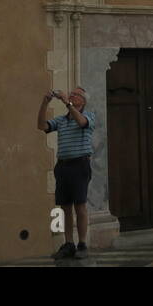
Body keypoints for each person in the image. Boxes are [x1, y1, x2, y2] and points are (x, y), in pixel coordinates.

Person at [37, 87, 97, 261]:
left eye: (75, 95)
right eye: (71, 94)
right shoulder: (62, 121)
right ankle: (69, 243)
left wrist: (66, 102)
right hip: (63, 167)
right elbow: (41, 125)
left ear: (83, 101)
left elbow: (82, 123)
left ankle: (83, 244)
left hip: (80, 165)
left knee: (80, 206)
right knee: (65, 207)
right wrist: (44, 102)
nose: (71, 95)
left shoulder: (89, 116)